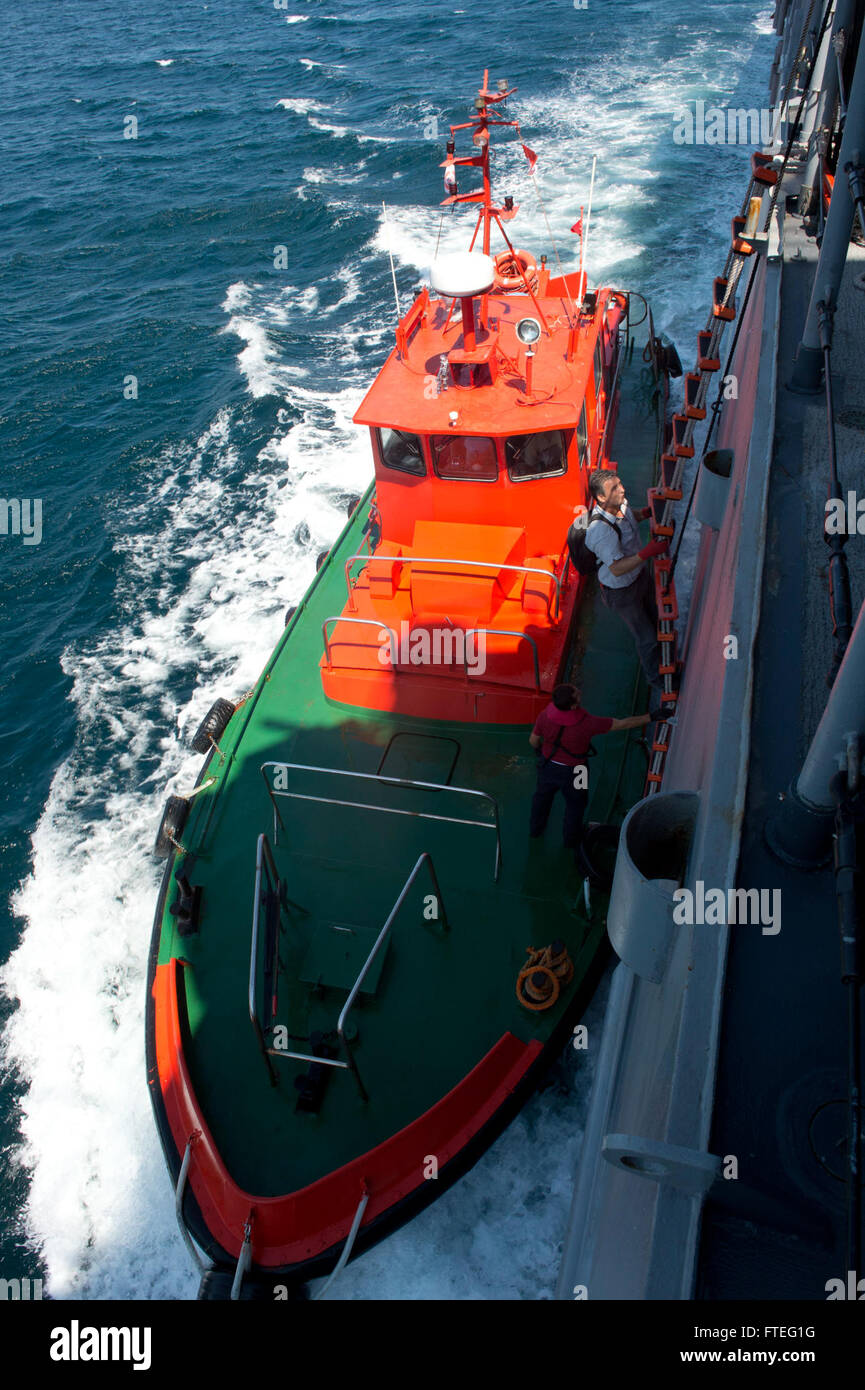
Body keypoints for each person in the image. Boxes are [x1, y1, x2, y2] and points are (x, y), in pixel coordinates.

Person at [529, 683, 655, 848]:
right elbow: (621, 724)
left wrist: (542, 753)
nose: (580, 692)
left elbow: (533, 740)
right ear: (573, 705)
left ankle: (535, 830)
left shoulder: (544, 716)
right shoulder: (588, 723)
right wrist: (650, 717)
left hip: (548, 766)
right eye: (577, 694)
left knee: (541, 799)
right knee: (576, 804)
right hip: (578, 770)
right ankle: (570, 839)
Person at [584, 470, 670, 698]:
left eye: (620, 484)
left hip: (639, 577)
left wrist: (643, 514)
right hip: (622, 591)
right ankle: (658, 679)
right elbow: (617, 567)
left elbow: (628, 517)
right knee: (646, 636)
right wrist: (647, 553)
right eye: (614, 488)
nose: (621, 489)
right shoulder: (600, 532)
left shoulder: (620, 504)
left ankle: (666, 659)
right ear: (601, 498)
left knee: (657, 619)